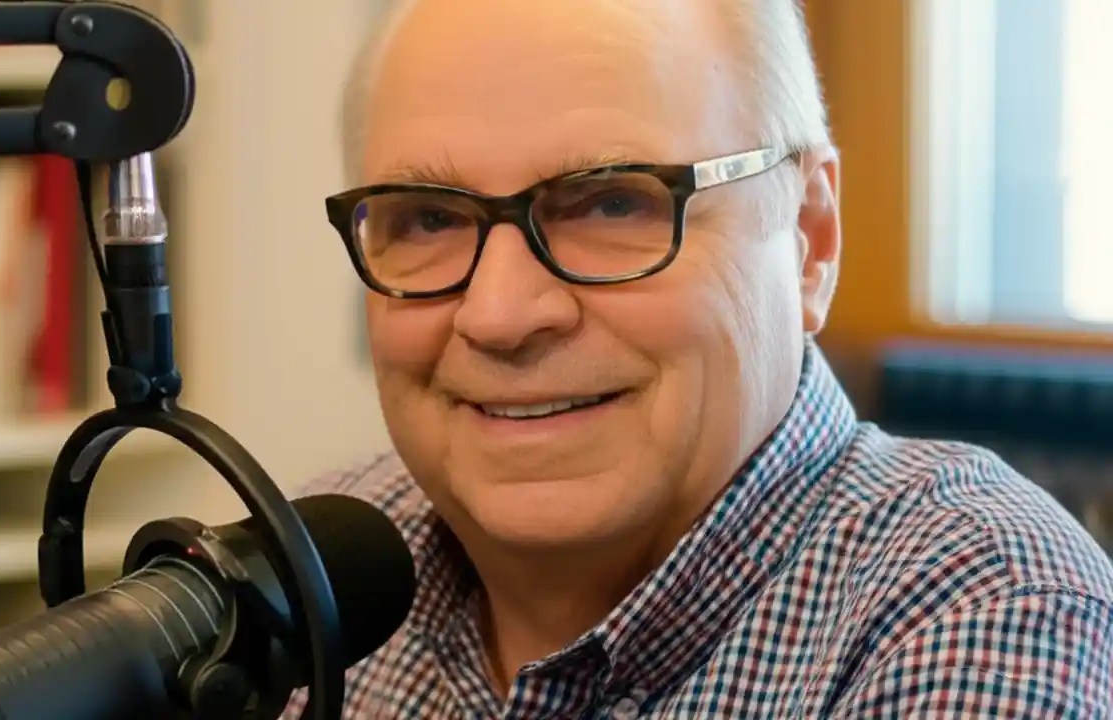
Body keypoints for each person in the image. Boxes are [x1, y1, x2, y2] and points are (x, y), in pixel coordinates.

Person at [285, 0, 1113, 717]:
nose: (500, 315)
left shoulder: (986, 610)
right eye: (428, 220)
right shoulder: (307, 573)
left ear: (809, 239)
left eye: (613, 203)